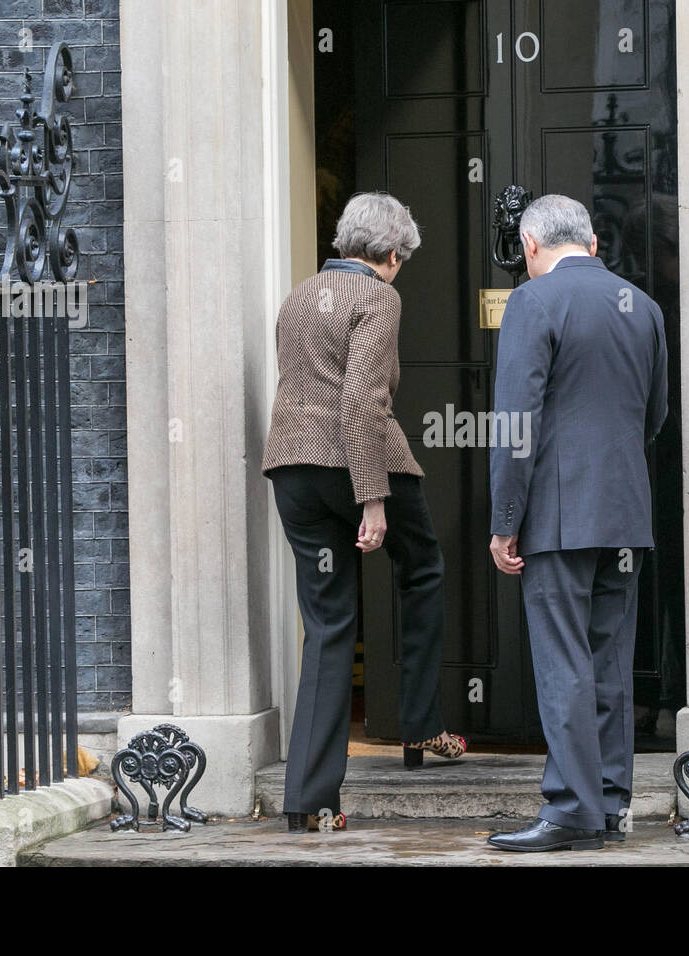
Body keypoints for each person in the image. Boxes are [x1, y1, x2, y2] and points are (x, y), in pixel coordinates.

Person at [262, 192, 466, 835]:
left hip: (292, 468)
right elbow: (361, 400)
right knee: (423, 567)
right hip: (361, 462)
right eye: (401, 258)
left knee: (327, 624)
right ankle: (421, 723)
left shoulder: (298, 295)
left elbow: (304, 385)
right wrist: (372, 497)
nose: (400, 268)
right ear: (387, 255)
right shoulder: (378, 295)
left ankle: (309, 799)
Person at [485, 194, 668, 851]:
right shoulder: (642, 307)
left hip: (559, 516)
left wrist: (505, 518)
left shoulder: (533, 303)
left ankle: (570, 809)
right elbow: (654, 416)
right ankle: (609, 804)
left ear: (531, 247)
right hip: (625, 513)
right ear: (593, 244)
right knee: (608, 664)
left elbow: (514, 423)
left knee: (563, 663)